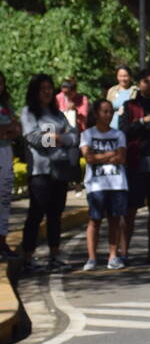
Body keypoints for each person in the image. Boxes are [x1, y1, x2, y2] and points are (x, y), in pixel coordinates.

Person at [20, 73, 80, 272]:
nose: (47, 92)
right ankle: (28, 258)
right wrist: (58, 137)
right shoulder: (29, 112)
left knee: (56, 215)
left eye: (49, 88)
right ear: (35, 91)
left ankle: (54, 256)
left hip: (60, 171)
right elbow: (33, 138)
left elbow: (74, 136)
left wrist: (57, 138)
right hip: (40, 171)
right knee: (36, 215)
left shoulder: (57, 114)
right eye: (42, 88)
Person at [80, 98, 129, 271]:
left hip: (117, 184)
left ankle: (113, 256)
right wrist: (110, 154)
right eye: (104, 111)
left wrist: (99, 156)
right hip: (95, 185)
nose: (108, 115)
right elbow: (89, 158)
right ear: (96, 114)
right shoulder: (87, 134)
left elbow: (121, 158)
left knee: (115, 221)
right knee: (95, 220)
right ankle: (92, 258)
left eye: (110, 111)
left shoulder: (119, 134)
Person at [123, 70, 150, 264]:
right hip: (135, 163)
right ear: (140, 83)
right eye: (147, 81)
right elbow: (125, 130)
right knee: (130, 209)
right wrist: (145, 121)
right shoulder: (130, 106)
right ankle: (124, 252)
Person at [0, 72, 19, 258]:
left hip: (6, 153)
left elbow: (16, 128)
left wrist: (6, 131)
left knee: (5, 199)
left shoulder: (6, 107)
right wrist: (6, 130)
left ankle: (2, 242)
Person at [107, 66, 137, 130]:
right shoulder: (112, 90)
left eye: (125, 76)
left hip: (128, 126)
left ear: (130, 77)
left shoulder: (136, 91)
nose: (123, 79)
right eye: (120, 76)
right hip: (112, 126)